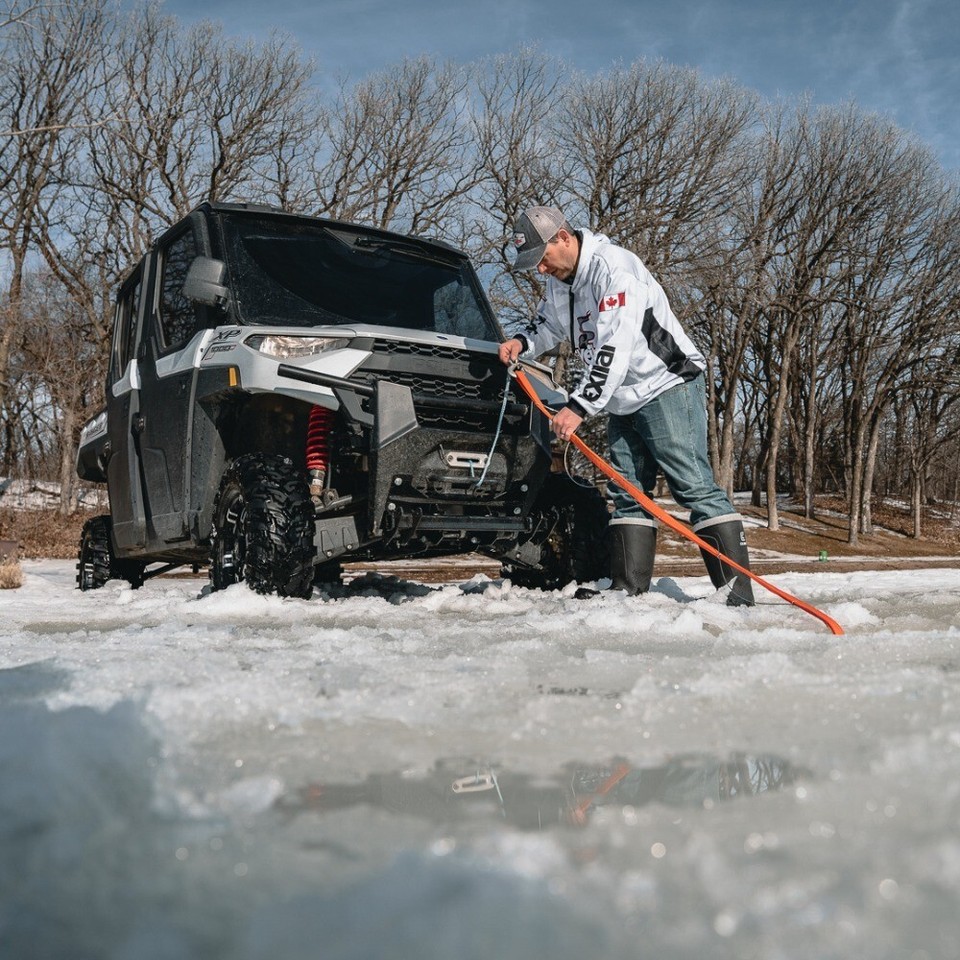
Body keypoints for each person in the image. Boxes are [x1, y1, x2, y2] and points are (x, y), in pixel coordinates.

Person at [499, 205, 754, 605]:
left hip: (665, 383)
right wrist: (522, 341)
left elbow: (613, 347)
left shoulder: (615, 269)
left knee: (692, 486)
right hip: (621, 398)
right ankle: (628, 590)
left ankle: (738, 595)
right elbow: (547, 324)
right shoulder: (560, 281)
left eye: (542, 259)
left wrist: (579, 406)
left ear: (563, 238)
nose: (541, 271)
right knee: (627, 491)